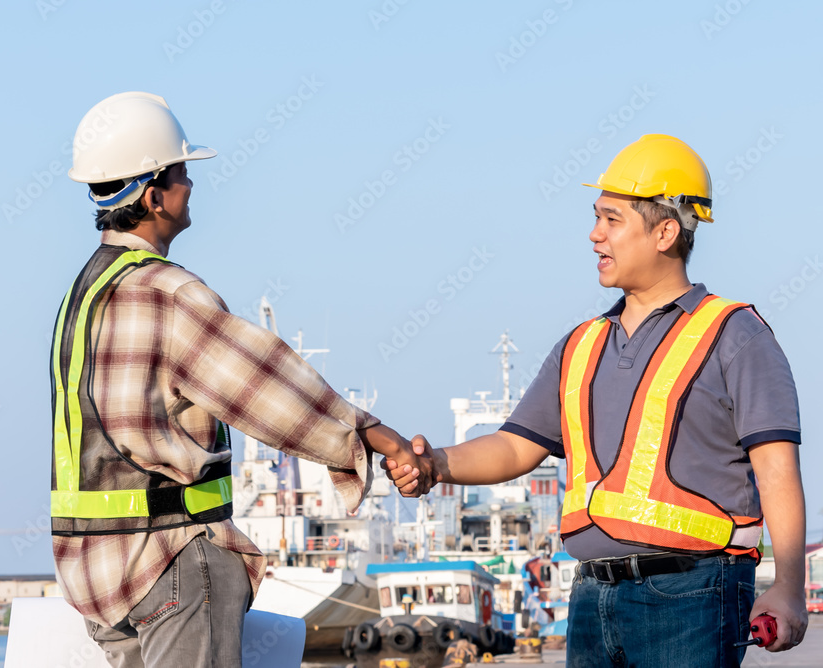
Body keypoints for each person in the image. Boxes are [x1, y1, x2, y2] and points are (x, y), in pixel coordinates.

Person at [385, 134, 808, 666]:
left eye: (611, 220)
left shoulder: (735, 334)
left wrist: (790, 587)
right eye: (595, 218)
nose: (593, 235)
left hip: (694, 595)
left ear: (665, 232)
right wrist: (436, 465)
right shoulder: (580, 346)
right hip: (590, 598)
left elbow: (776, 470)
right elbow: (516, 447)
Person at [50, 92, 435, 667]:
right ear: (154, 195)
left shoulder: (81, 297)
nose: (192, 185)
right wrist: (374, 437)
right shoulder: (168, 293)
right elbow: (266, 389)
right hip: (168, 557)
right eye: (182, 173)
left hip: (96, 574)